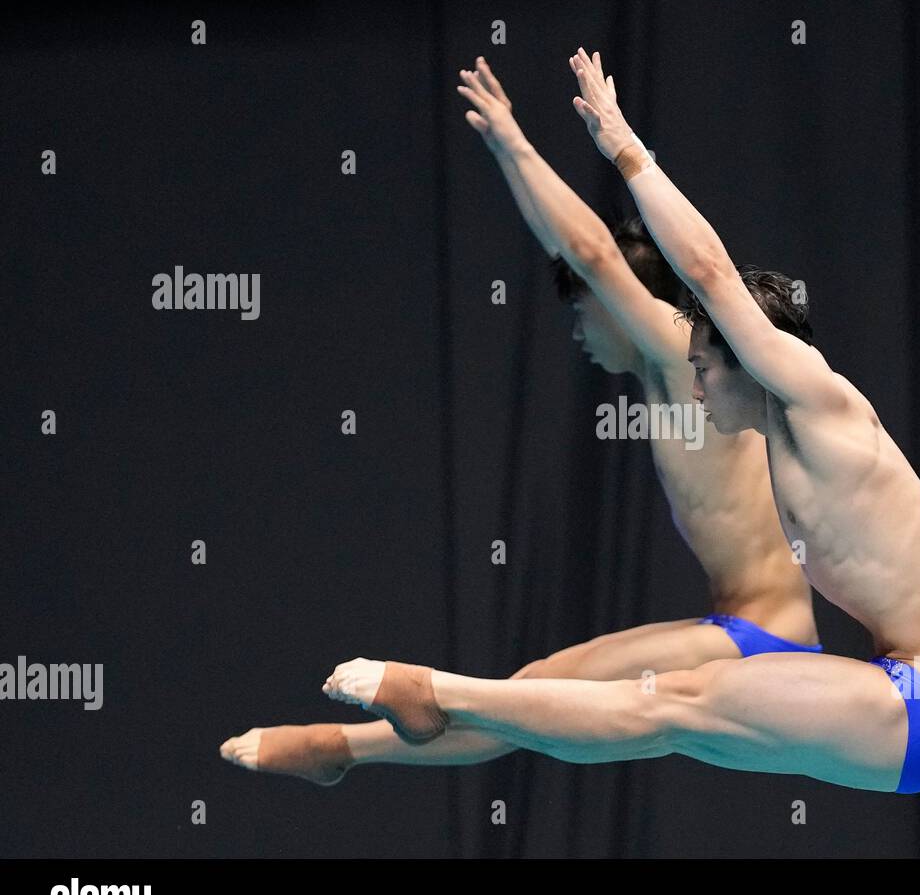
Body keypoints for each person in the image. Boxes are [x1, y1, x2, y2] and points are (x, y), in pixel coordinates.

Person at [312, 48, 920, 794]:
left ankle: (437, 693)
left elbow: (708, 272)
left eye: (702, 365)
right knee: (656, 713)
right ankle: (435, 702)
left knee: (672, 706)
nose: (693, 383)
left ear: (747, 358)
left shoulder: (817, 400)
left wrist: (626, 151)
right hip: (897, 695)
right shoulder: (780, 433)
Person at [219, 56, 818, 787]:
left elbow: (593, 250)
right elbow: (576, 252)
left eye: (584, 307)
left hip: (761, 642)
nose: (576, 329)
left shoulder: (674, 348)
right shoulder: (673, 377)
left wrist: (515, 143)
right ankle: (338, 749)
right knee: (531, 702)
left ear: (632, 301)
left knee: (528, 697)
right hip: (750, 637)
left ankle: (339, 746)